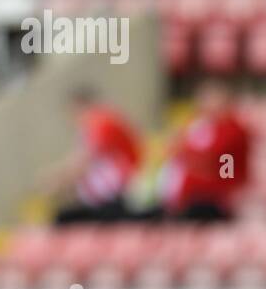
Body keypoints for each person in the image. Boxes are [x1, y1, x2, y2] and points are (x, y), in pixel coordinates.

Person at [45, 87, 142, 224]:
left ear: (81, 105)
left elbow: (82, 163)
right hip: (102, 199)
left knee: (63, 220)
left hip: (116, 199)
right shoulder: (91, 126)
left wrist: (55, 181)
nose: (72, 118)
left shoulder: (101, 120)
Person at [158, 81, 251, 221]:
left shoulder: (232, 130)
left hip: (215, 199)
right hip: (187, 199)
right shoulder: (199, 125)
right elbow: (172, 149)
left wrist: (185, 153)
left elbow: (215, 161)